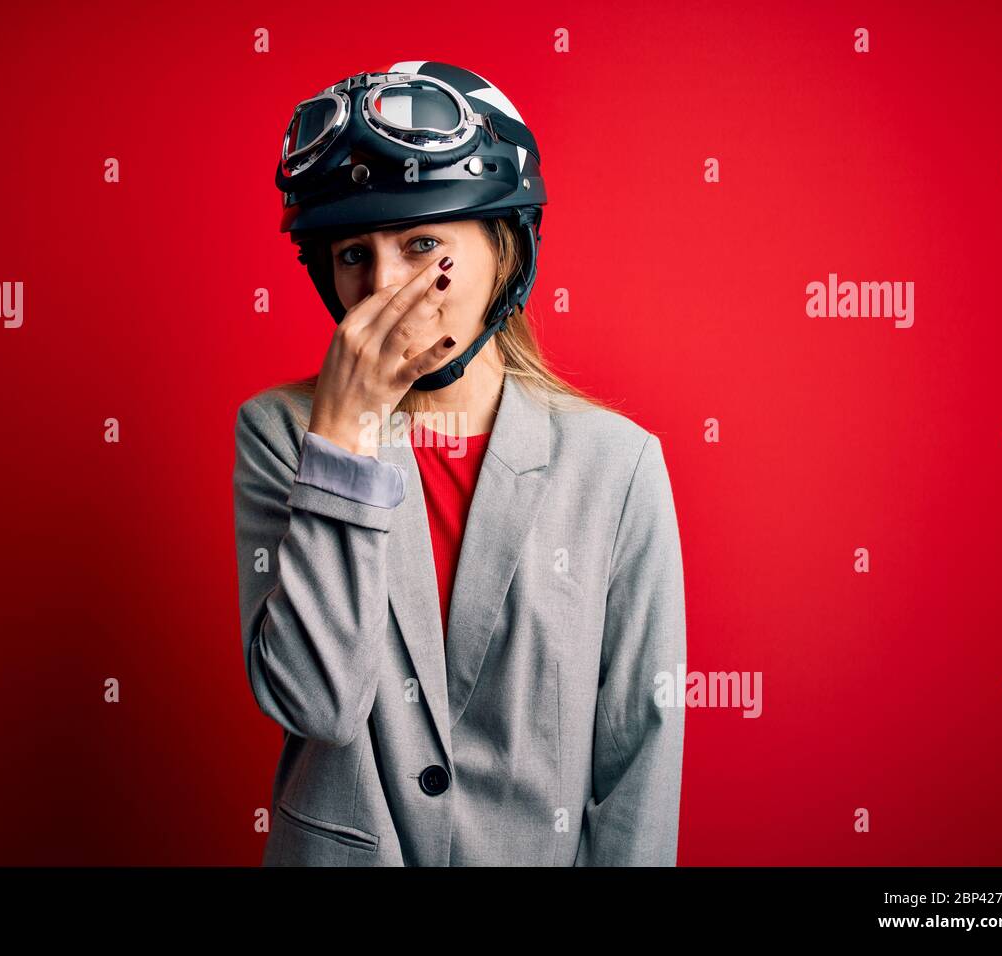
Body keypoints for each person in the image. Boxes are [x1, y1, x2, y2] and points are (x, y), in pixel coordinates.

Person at [233, 61, 686, 865]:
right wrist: (343, 436)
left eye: (421, 244)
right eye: (352, 256)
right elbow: (318, 703)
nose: (385, 288)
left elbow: (637, 755)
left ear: (504, 252)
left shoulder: (618, 467)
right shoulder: (280, 432)